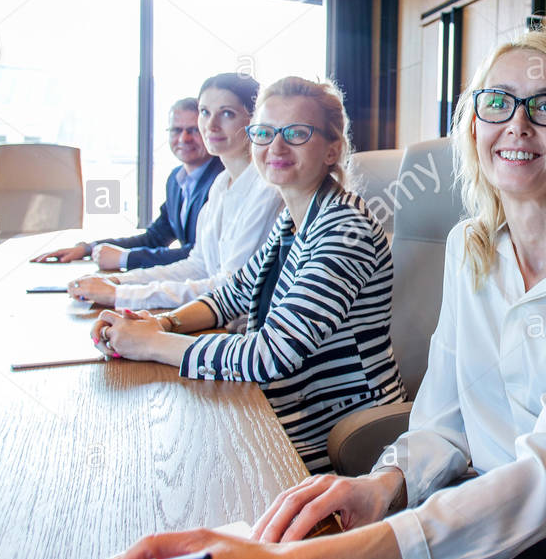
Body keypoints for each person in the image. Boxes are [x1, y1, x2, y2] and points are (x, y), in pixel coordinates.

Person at [88, 33, 546, 559]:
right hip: (479, 520)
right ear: (474, 126)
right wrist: (383, 484)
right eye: (497, 102)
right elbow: (443, 422)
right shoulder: (471, 247)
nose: (517, 124)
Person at [87, 75, 406, 472]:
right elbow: (233, 294)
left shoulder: (345, 229)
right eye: (264, 133)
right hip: (284, 408)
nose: (276, 147)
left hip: (336, 430)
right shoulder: (293, 220)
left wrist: (152, 344)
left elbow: (272, 354)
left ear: (332, 150)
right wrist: (161, 323)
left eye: (296, 133)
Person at [65, 74, 282, 310]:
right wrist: (119, 281)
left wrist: (121, 294)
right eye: (205, 112)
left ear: (255, 121)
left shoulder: (267, 190)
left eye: (227, 113)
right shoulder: (221, 184)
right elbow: (198, 266)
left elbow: (232, 289)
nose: (211, 125)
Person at [31, 98, 223, 270]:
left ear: (207, 131)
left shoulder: (222, 179)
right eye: (176, 130)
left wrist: (125, 259)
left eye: (193, 130)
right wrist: (89, 248)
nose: (184, 138)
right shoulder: (176, 179)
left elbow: (201, 255)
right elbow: (154, 238)